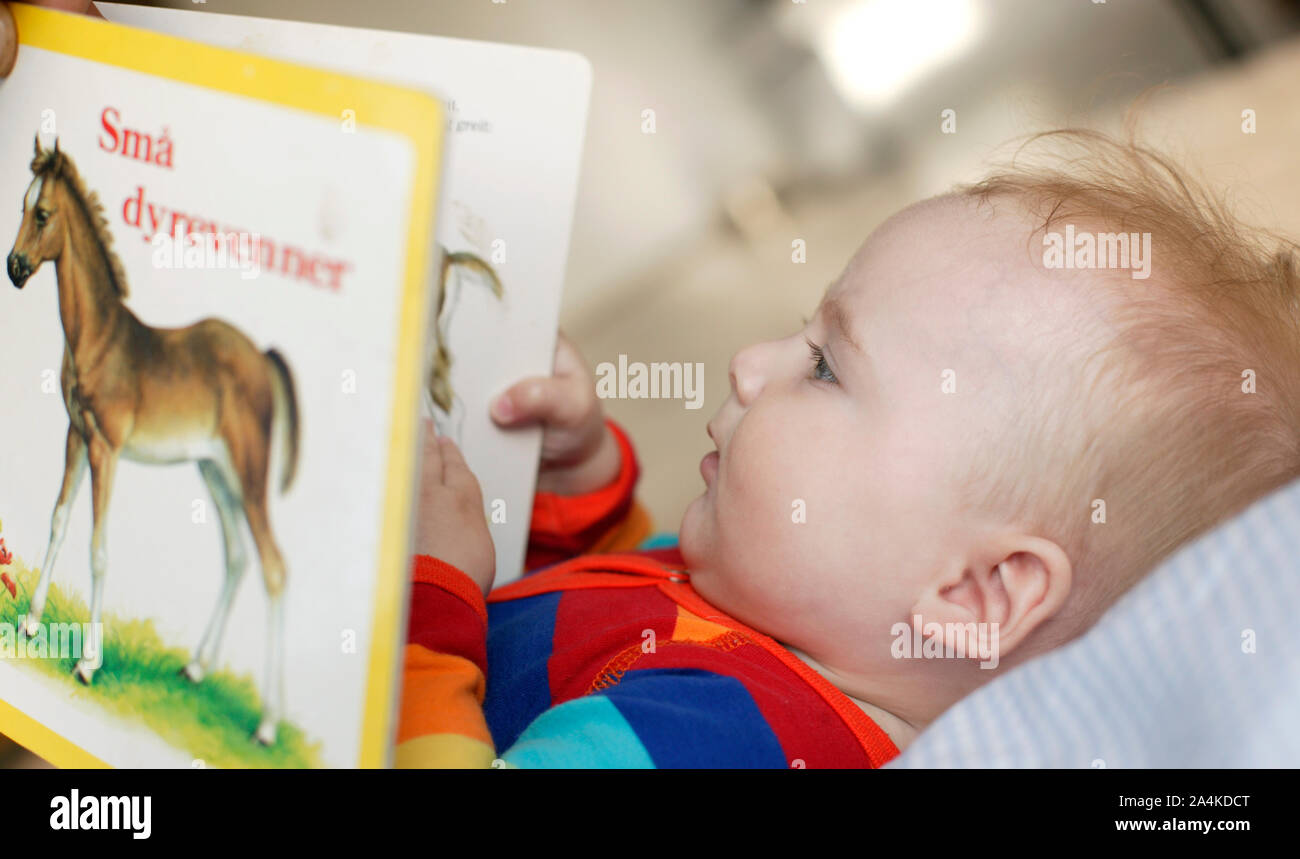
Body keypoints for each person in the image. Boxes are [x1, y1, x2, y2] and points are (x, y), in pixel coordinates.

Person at [402, 129, 1300, 767]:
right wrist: (578, 487)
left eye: (825, 366)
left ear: (973, 591)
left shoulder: (731, 740)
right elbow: (619, 628)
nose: (749, 365)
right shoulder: (785, 614)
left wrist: (428, 609)